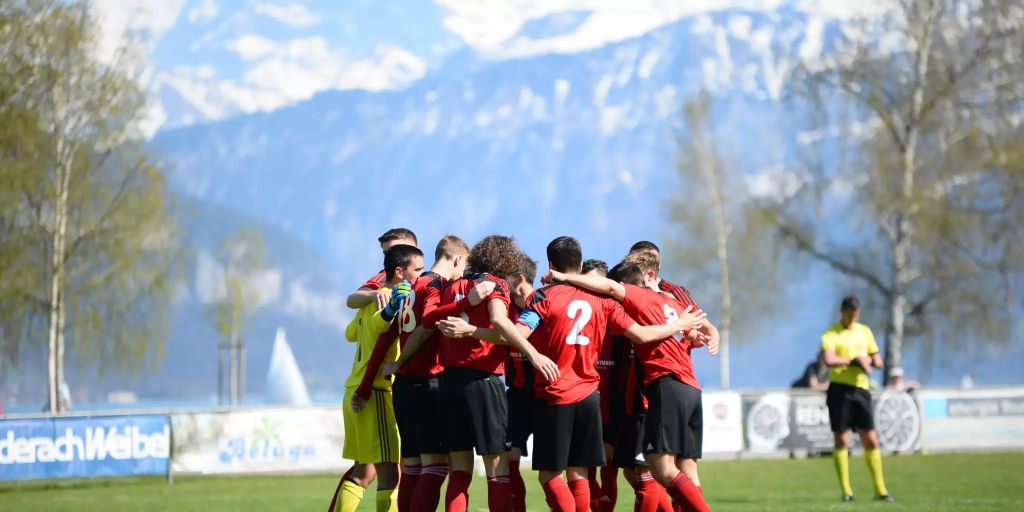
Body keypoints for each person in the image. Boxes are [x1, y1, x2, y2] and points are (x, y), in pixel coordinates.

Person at [483, 236, 706, 512]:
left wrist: (487, 336)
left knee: (550, 475)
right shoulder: (603, 301)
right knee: (579, 474)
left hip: (556, 394)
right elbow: (643, 334)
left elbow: (517, 335)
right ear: (579, 263)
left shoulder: (544, 296)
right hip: (590, 398)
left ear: (552, 264)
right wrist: (680, 324)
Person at [546, 259, 718, 512]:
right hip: (690, 387)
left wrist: (566, 277)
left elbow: (613, 290)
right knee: (672, 465)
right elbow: (691, 335)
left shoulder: (640, 296)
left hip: (666, 384)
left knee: (661, 467)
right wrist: (697, 333)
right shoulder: (671, 302)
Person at [424, 235, 558, 512]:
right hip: (482, 381)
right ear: (505, 260)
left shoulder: (452, 287)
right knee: (497, 469)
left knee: (459, 471)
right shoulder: (494, 284)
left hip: (449, 381)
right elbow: (499, 321)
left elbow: (433, 319)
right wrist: (533, 354)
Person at [373, 235, 471, 512]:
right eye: (464, 267)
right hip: (427, 382)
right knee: (435, 467)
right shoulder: (436, 286)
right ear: (457, 259)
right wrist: (401, 361)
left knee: (414, 467)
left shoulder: (413, 284)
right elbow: (427, 325)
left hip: (405, 387)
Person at [333, 244, 423, 512]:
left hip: (353, 389)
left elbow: (351, 333)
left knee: (362, 472)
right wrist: (392, 306)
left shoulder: (368, 297)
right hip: (375, 392)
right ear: (399, 271)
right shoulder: (386, 297)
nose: (421, 275)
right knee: (390, 474)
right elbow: (380, 324)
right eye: (417, 270)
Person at [820, 295, 893, 503]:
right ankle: (847, 491)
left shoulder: (865, 331)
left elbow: (877, 359)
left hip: (861, 390)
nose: (852, 317)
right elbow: (828, 359)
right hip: (840, 390)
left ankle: (881, 490)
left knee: (870, 438)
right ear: (842, 311)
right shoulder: (832, 333)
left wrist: (869, 361)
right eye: (849, 313)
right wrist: (852, 362)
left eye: (855, 314)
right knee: (842, 439)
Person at [347, 228, 419, 311]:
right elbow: (351, 300)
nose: (390, 257)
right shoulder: (386, 276)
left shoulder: (428, 278)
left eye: (397, 251)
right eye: (386, 253)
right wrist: (375, 294)